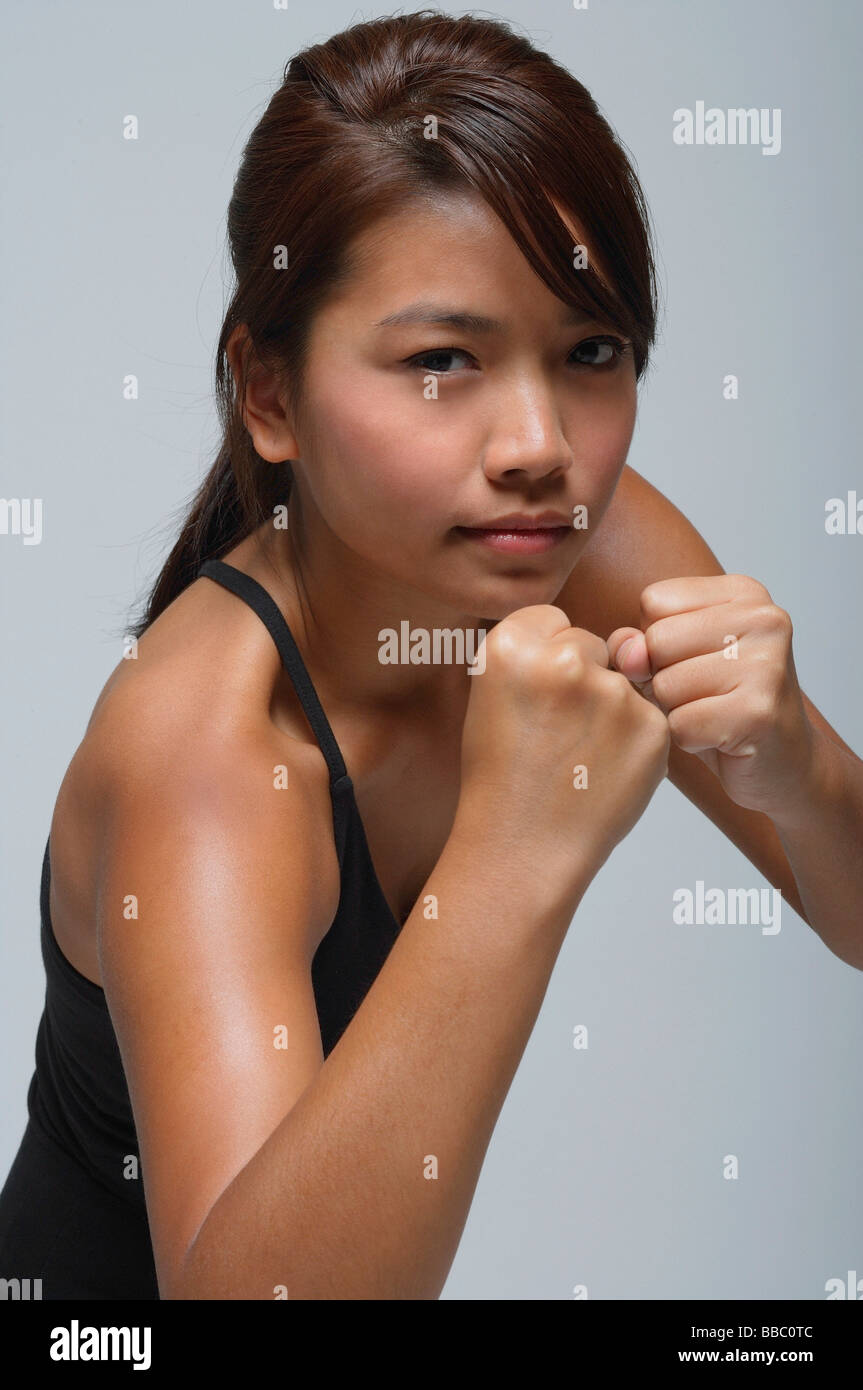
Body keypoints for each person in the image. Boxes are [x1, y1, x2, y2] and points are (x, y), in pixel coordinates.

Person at [1, 10, 861, 1301]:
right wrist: (514, 860)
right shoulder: (210, 755)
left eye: (591, 352)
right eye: (442, 359)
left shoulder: (577, 535)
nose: (537, 441)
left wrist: (792, 761)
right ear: (270, 394)